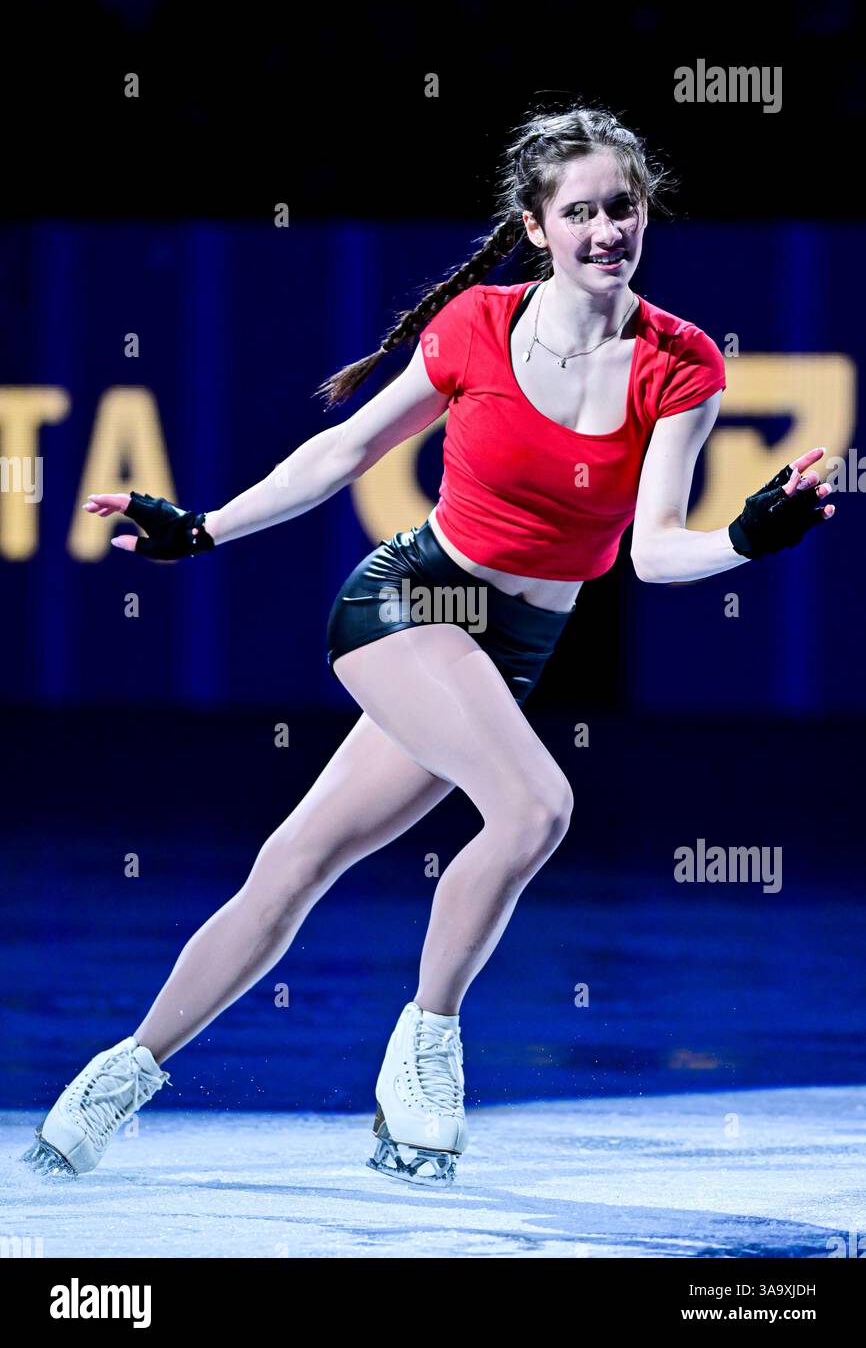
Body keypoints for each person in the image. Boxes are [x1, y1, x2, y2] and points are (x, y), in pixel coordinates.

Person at [23, 105, 834, 1187]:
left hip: (514, 646)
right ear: (536, 225)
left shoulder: (678, 364)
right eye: (579, 210)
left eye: (622, 207)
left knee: (291, 867)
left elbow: (649, 556)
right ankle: (422, 1054)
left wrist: (743, 537)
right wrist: (205, 525)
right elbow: (346, 447)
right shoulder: (476, 330)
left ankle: (110, 1081)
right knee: (537, 805)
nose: (605, 230)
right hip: (409, 601)